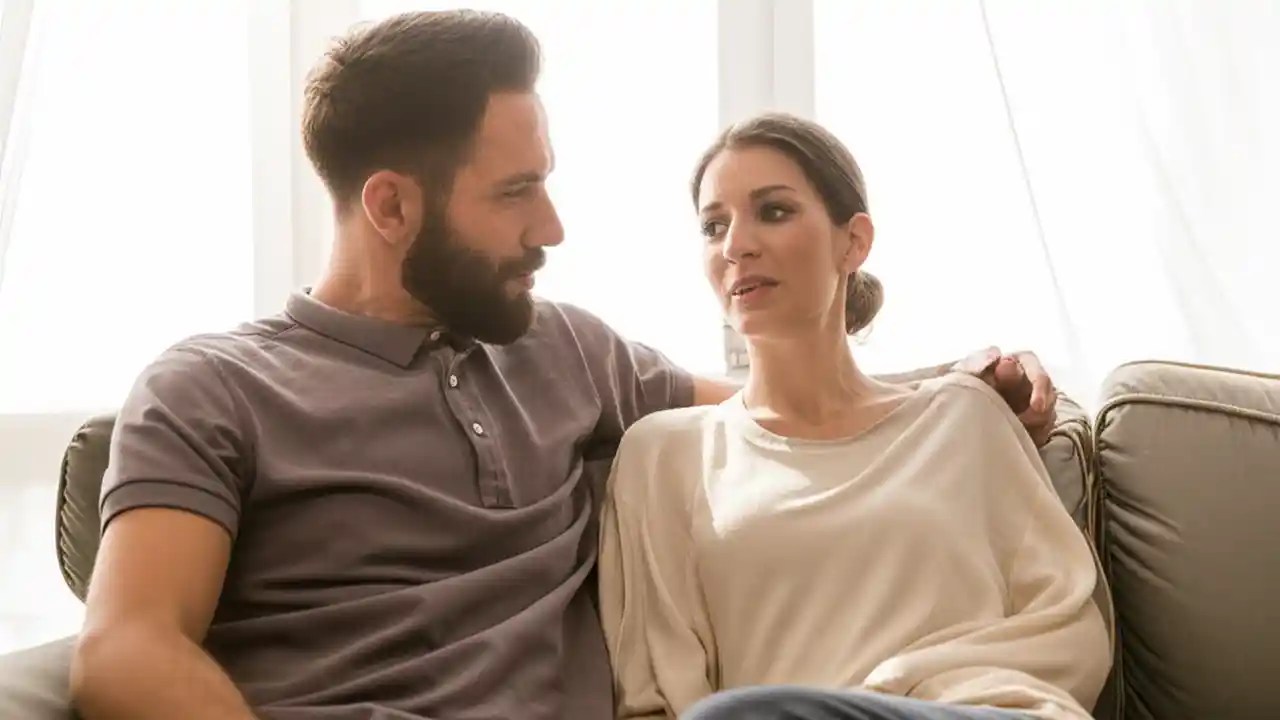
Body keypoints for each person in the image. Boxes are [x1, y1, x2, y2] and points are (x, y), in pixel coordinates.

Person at [69, 11, 1062, 720]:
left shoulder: (568, 353)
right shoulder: (212, 389)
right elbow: (126, 647)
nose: (550, 227)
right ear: (391, 206)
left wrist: (967, 381)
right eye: (515, 193)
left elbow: (794, 413)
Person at [596, 113, 1113, 720]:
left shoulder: (964, 416)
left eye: (773, 211)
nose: (736, 244)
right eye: (715, 226)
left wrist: (890, 691)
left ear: (854, 242)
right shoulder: (666, 455)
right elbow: (655, 692)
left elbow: (1069, 627)